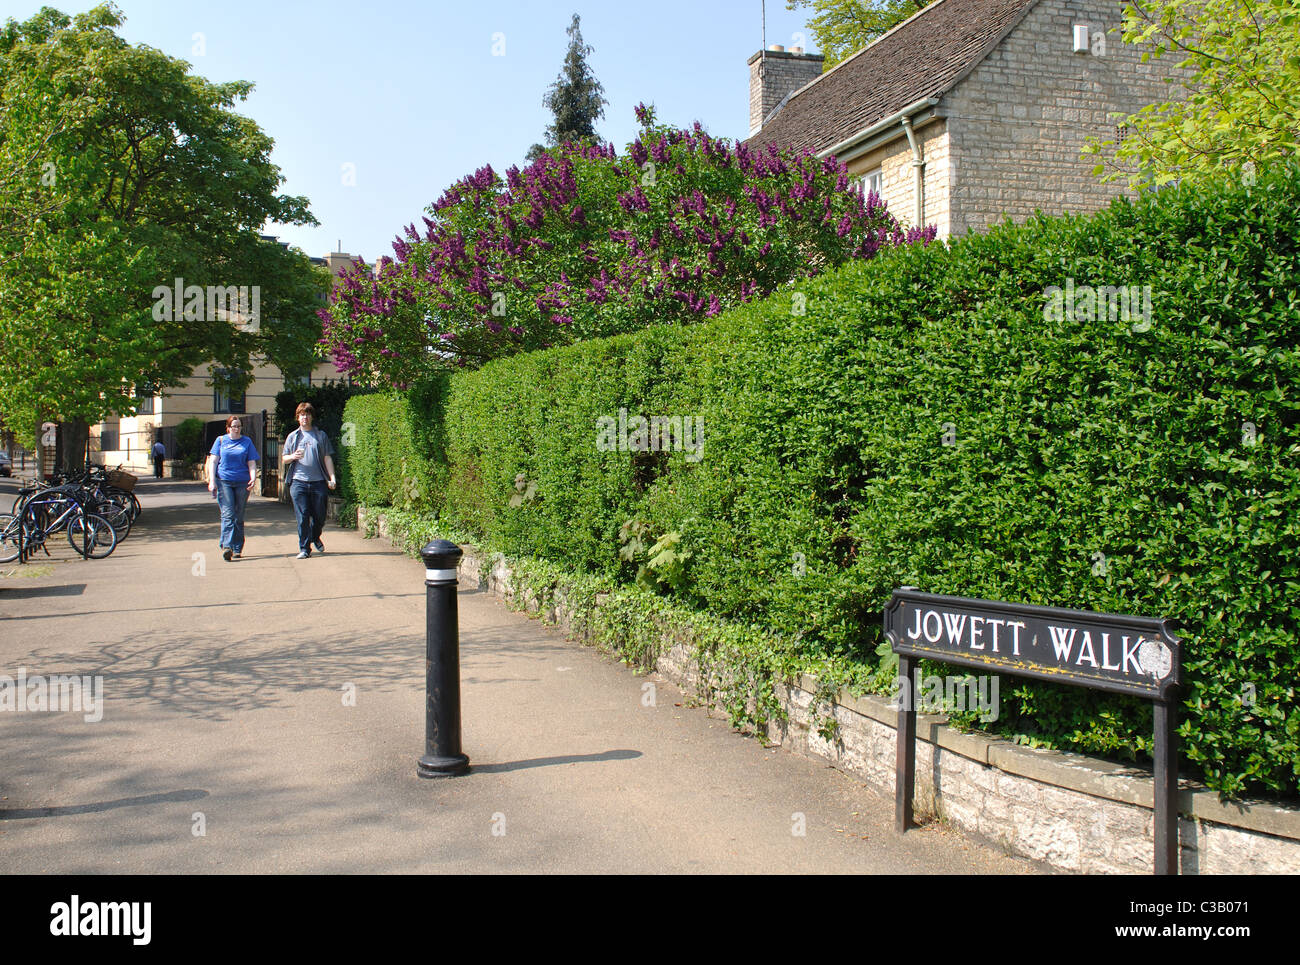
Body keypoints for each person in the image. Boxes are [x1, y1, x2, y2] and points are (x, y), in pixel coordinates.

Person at [282, 402, 336, 559]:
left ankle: (315, 535)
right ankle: (304, 548)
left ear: (311, 417)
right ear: (298, 418)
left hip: (318, 481)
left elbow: (327, 458)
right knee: (303, 515)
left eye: (307, 414)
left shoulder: (320, 436)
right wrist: (293, 456)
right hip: (298, 482)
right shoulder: (293, 437)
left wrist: (332, 478)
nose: (304, 417)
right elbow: (284, 458)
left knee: (319, 516)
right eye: (301, 414)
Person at [206, 416, 259, 561]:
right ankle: (227, 547)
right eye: (234, 426)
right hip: (224, 481)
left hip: (242, 482)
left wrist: (253, 477)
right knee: (228, 514)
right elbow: (213, 461)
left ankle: (237, 548)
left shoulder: (246, 442)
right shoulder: (221, 440)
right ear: (228, 427)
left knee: (238, 516)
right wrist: (212, 481)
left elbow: (252, 462)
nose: (236, 429)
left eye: (239, 426)